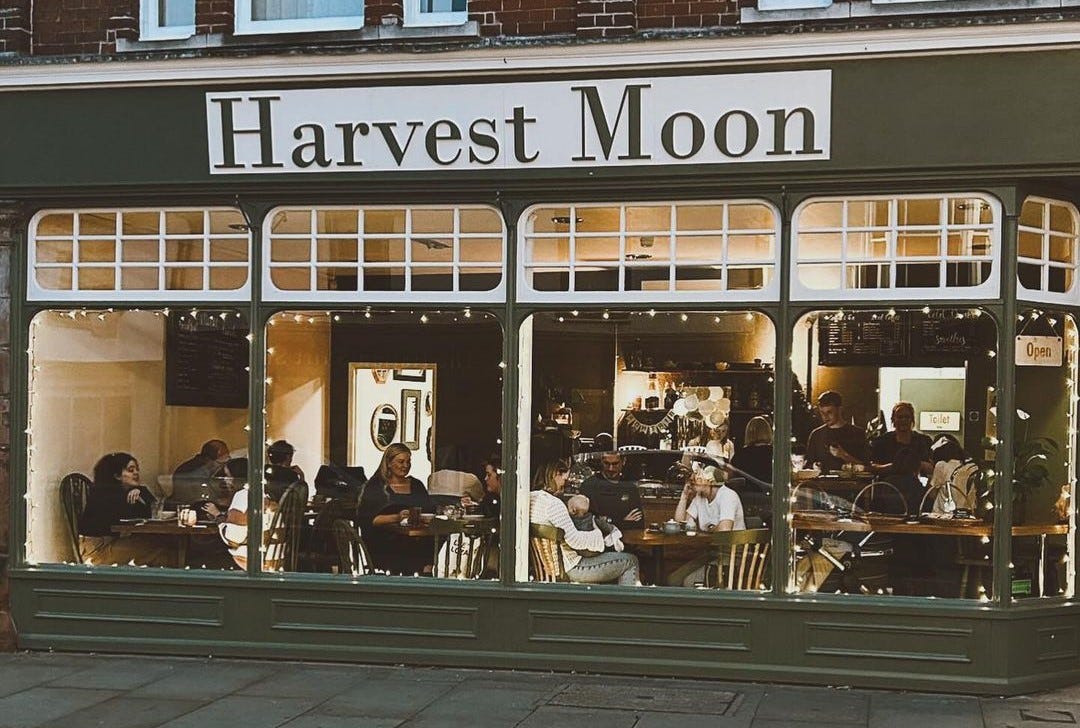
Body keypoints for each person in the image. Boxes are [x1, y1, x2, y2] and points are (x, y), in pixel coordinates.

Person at [529, 460, 639, 586]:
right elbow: (575, 540)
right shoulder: (553, 505)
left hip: (551, 569)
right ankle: (625, 600)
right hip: (573, 567)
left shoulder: (531, 498)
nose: (565, 484)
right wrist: (600, 536)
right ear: (555, 474)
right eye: (564, 480)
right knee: (630, 561)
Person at [78, 452, 171, 567]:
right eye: (131, 470)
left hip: (114, 542)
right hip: (97, 551)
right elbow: (134, 516)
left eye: (137, 469)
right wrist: (138, 494)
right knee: (162, 550)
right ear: (117, 476)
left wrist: (140, 492)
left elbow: (152, 509)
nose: (136, 473)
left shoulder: (127, 493)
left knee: (162, 544)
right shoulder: (106, 495)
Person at [356, 443, 434, 575]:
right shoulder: (376, 487)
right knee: (410, 548)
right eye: (401, 461)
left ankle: (426, 573)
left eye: (408, 461)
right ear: (389, 463)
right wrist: (398, 517)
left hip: (416, 539)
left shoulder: (416, 485)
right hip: (385, 544)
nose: (406, 465)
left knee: (433, 541)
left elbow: (429, 510)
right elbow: (370, 520)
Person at [668, 465, 746, 587]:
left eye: (698, 474)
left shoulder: (728, 495)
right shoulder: (700, 497)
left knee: (689, 581)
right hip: (712, 553)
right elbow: (680, 523)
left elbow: (724, 530)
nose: (692, 478)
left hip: (730, 556)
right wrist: (684, 496)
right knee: (673, 580)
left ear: (711, 480)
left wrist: (710, 528)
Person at [870, 401, 934, 513]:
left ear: (912, 419)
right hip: (887, 490)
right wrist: (893, 467)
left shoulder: (923, 441)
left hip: (914, 489)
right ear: (893, 419)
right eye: (899, 417)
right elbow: (872, 466)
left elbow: (932, 468)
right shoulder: (882, 442)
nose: (903, 420)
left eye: (907, 417)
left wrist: (916, 464)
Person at [805, 391, 869, 472]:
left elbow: (866, 467)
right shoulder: (816, 435)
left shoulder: (857, 433)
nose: (825, 417)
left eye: (829, 412)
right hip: (822, 480)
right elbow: (808, 465)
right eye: (822, 413)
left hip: (851, 480)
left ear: (839, 410)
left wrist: (844, 455)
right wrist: (815, 466)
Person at [578, 451, 644, 530]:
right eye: (606, 463)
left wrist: (607, 521)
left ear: (623, 461)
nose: (610, 468)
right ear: (601, 461)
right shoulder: (589, 486)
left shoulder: (630, 488)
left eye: (615, 464)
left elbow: (638, 523)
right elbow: (585, 522)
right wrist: (622, 522)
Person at [731, 416, 773, 484]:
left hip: (746, 490)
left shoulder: (741, 455)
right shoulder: (775, 453)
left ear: (748, 433)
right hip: (770, 489)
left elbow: (734, 478)